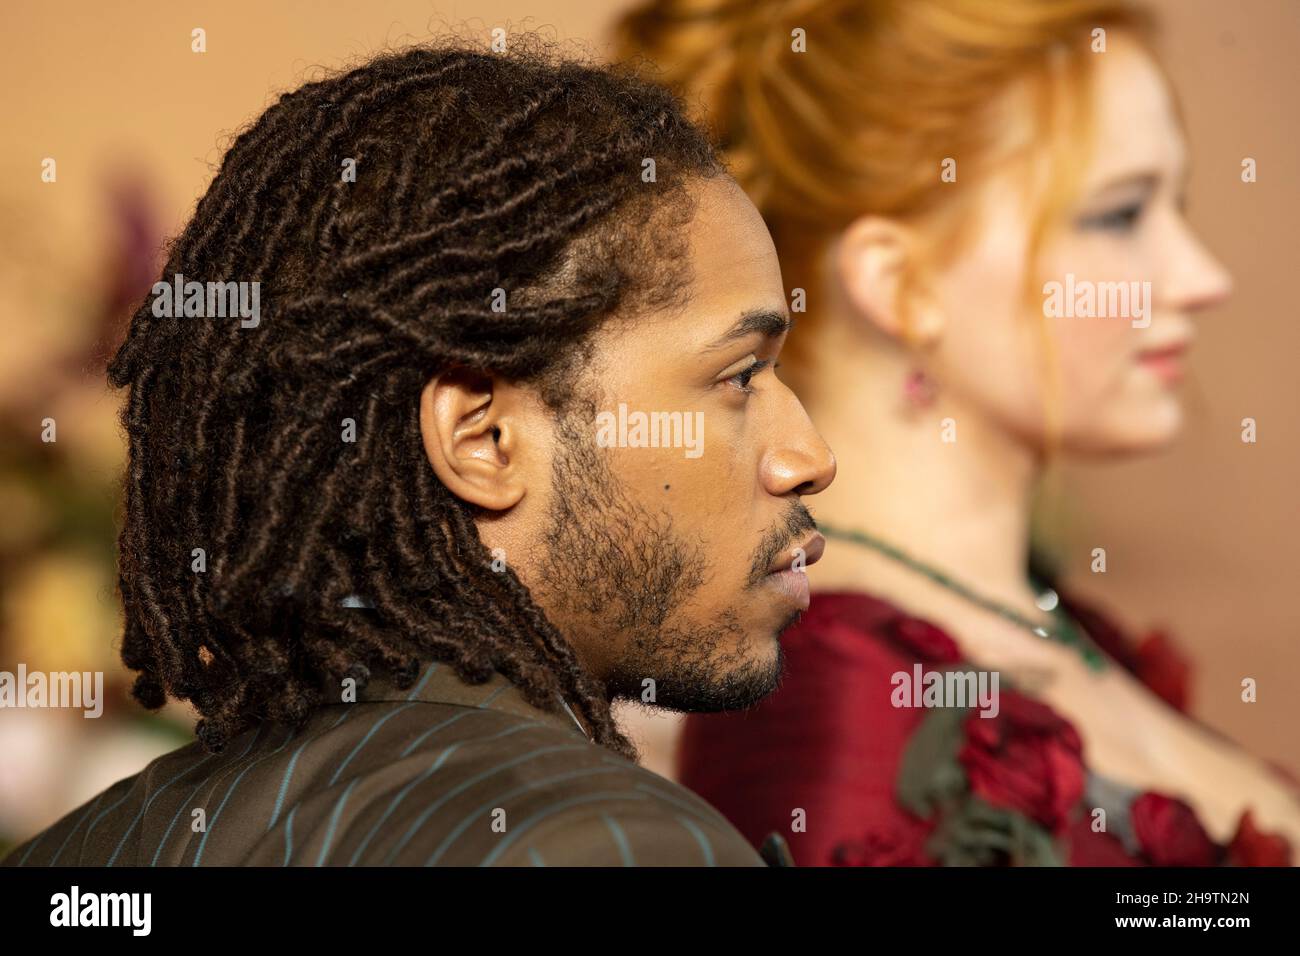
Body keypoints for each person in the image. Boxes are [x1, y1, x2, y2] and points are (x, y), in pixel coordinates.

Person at [2, 39, 834, 867]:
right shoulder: (611, 842)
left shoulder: (82, 852)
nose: (806, 457)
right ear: (484, 439)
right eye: (739, 376)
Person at [615, 0, 1300, 865]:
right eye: (1119, 215)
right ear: (901, 284)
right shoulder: (837, 700)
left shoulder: (1049, 631)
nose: (1202, 277)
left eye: (1180, 204)